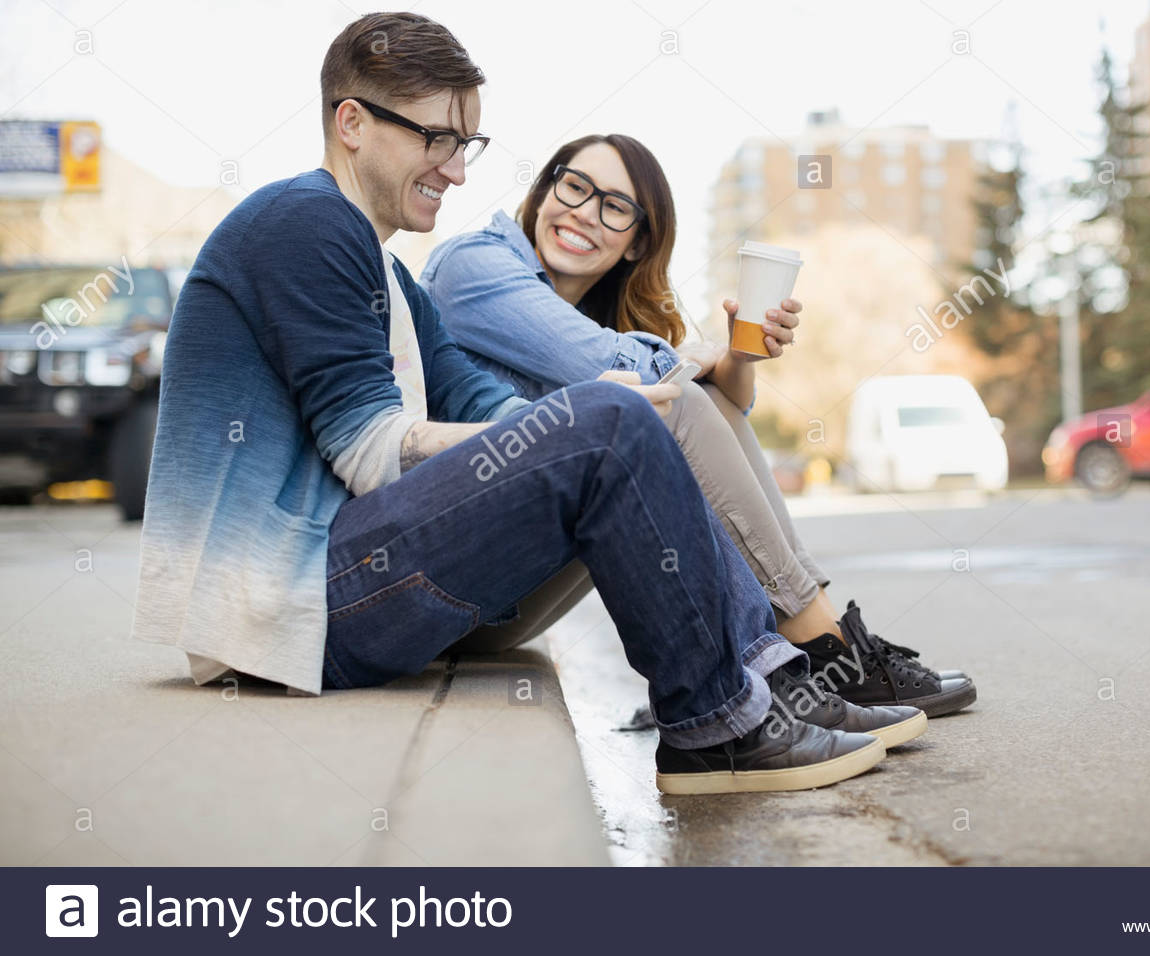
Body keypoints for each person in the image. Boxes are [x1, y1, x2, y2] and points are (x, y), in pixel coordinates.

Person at [129, 12, 925, 796]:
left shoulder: (394, 279)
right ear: (352, 123)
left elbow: (486, 407)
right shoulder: (303, 220)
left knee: (619, 419)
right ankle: (719, 722)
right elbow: (370, 450)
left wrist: (569, 427)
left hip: (340, 589)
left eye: (465, 145)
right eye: (436, 139)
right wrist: (583, 423)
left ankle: (763, 685)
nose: (456, 170)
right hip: (286, 602)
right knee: (609, 420)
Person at [420, 134, 977, 716]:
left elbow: (712, 408)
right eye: (575, 186)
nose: (584, 211)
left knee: (681, 402)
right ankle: (826, 653)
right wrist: (699, 355)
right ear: (544, 191)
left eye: (613, 206)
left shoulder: (591, 315)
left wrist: (738, 358)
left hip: (509, 592)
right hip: (453, 591)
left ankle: (810, 646)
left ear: (637, 243)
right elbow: (622, 369)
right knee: (666, 404)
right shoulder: (474, 265)